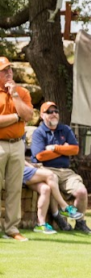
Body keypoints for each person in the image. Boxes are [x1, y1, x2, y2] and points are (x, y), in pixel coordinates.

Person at [31, 101, 91, 235]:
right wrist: (64, 149)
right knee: (51, 182)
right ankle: (58, 217)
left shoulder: (65, 129)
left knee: (82, 192)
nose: (54, 114)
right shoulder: (39, 133)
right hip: (46, 169)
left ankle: (80, 223)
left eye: (56, 111)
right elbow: (40, 156)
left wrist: (55, 148)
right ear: (42, 115)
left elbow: (75, 150)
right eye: (49, 112)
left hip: (66, 171)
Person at [0, 57, 34, 242]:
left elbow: (28, 115)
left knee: (14, 189)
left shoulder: (21, 92)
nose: (9, 73)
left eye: (10, 70)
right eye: (4, 70)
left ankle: (12, 229)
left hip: (17, 144)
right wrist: (16, 116)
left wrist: (14, 96)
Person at [23, 163, 84, 234]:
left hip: (29, 171)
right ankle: (64, 207)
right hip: (20, 169)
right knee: (51, 175)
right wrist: (31, 166)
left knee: (45, 189)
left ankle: (41, 224)